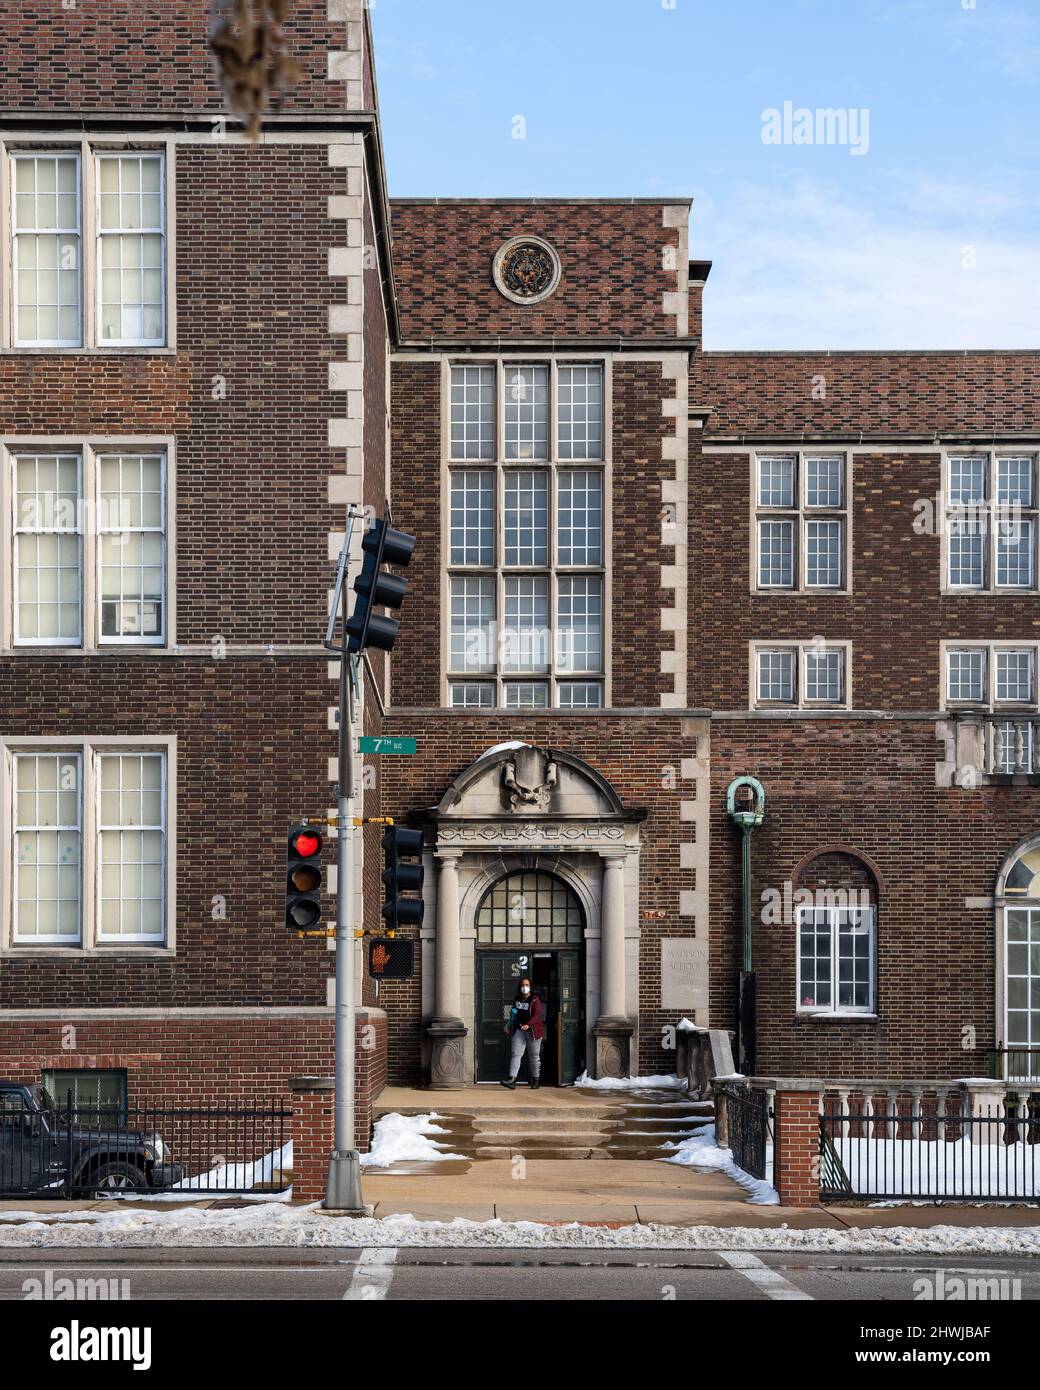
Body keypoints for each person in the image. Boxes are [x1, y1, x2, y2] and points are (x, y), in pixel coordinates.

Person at [501, 977, 544, 1089]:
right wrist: (510, 1022)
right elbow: (514, 1012)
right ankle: (512, 1080)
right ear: (520, 987)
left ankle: (535, 1080)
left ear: (530, 987)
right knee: (516, 1053)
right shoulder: (517, 999)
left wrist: (528, 1024)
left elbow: (537, 1016)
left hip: (533, 1031)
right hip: (519, 1030)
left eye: (527, 985)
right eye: (522, 985)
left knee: (534, 1056)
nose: (524, 987)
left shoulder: (535, 999)